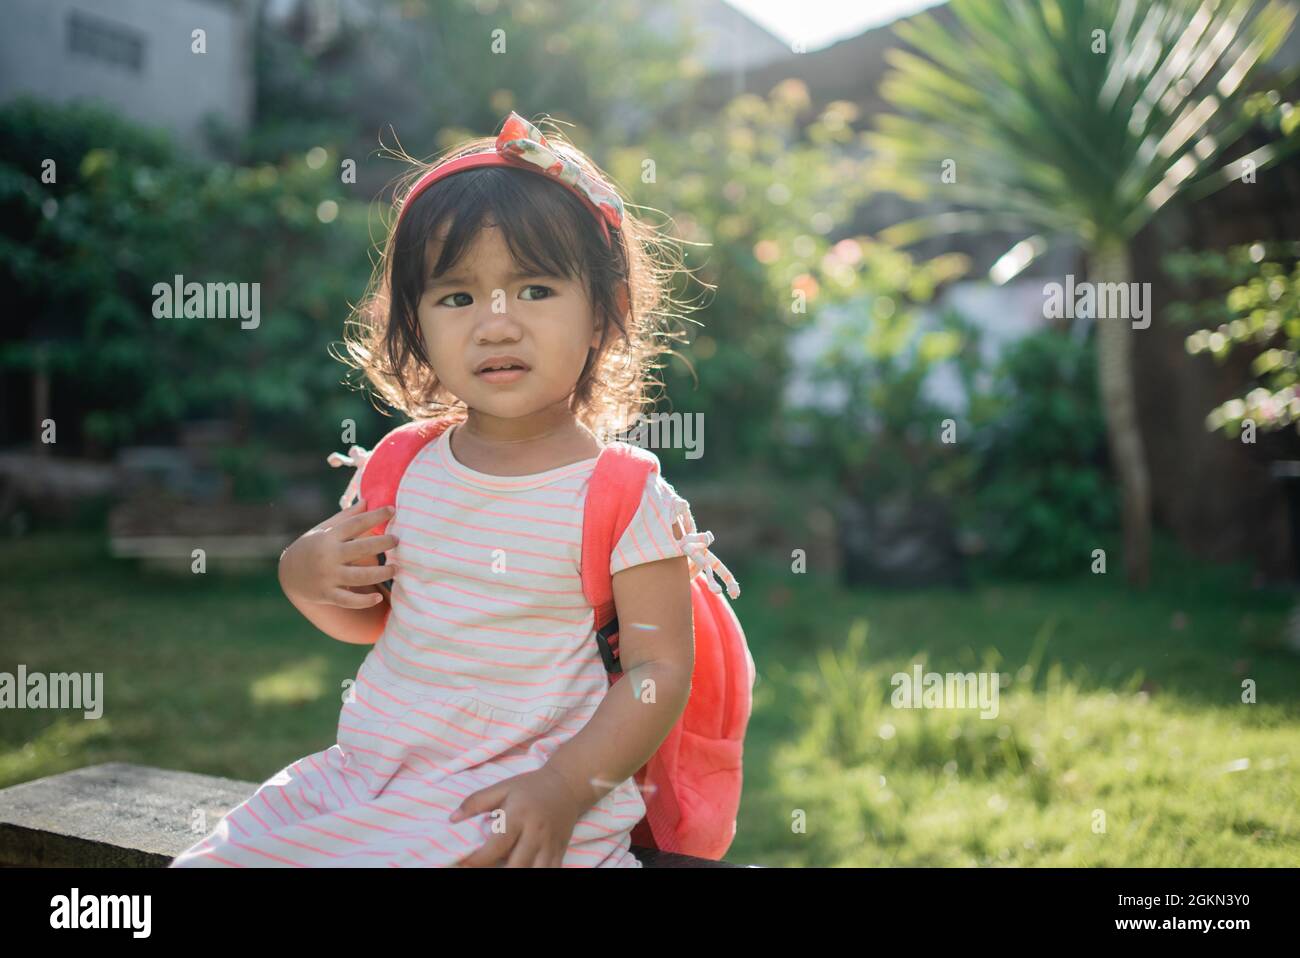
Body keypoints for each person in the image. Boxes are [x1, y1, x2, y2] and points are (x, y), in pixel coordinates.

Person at [170, 112, 738, 868]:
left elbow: (657, 674)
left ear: (605, 312)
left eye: (534, 289)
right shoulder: (402, 467)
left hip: (520, 804)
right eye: (457, 298)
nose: (496, 326)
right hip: (369, 782)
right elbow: (376, 621)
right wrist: (303, 576)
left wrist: (565, 788)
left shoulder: (622, 494)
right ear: (415, 323)